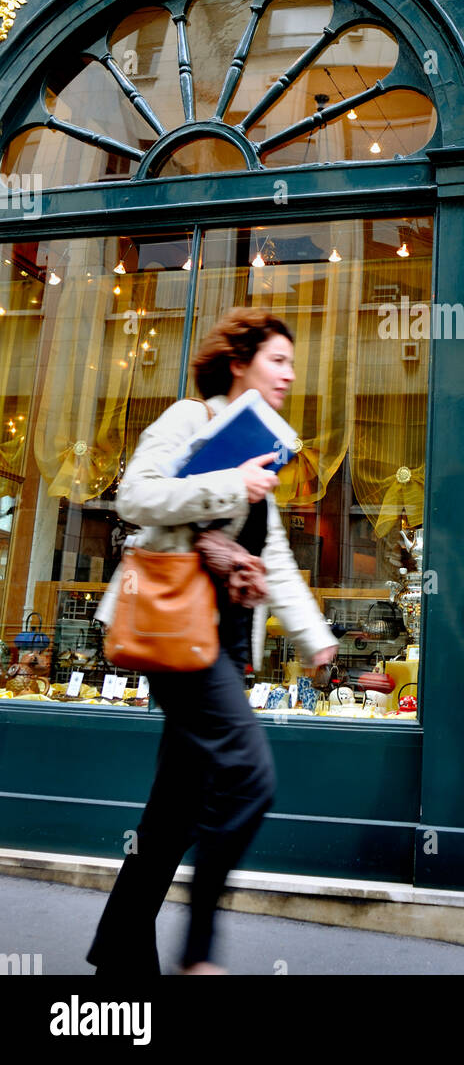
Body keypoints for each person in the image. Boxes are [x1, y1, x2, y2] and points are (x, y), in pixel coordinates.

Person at [86, 307, 338, 975]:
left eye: (291, 363)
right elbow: (135, 498)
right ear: (240, 362)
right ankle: (199, 958)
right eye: (277, 359)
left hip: (220, 647)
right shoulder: (190, 420)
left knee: (174, 808)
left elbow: (273, 555)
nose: (288, 373)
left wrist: (316, 636)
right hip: (174, 632)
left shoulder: (264, 446)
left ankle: (119, 954)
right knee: (250, 780)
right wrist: (233, 483)